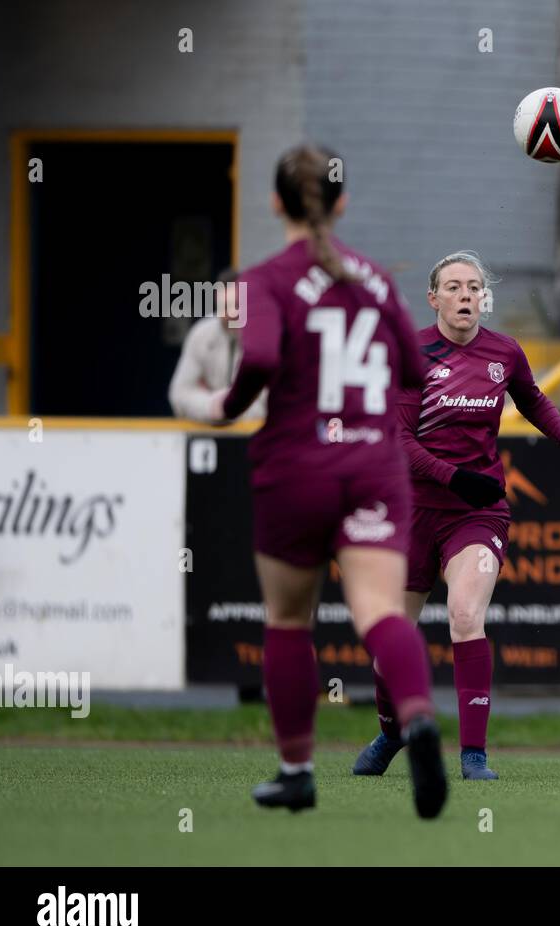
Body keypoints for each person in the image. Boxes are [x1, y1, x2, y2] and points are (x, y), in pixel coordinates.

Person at [211, 143, 446, 818]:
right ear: (341, 203)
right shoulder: (373, 278)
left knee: (288, 619)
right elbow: (416, 369)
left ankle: (296, 772)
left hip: (297, 463)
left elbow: (256, 355)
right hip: (374, 465)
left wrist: (226, 408)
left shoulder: (265, 279)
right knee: (377, 612)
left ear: (275, 202)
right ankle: (420, 720)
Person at [352, 250, 560, 781]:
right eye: (453, 287)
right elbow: (399, 440)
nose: (466, 295)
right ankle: (390, 732)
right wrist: (451, 476)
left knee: (466, 615)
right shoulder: (412, 352)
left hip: (477, 512)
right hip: (413, 511)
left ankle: (474, 756)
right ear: (434, 299)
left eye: (473, 287)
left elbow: (534, 401)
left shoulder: (505, 352)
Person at [168, 268, 267, 422]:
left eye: (237, 304)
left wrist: (229, 408)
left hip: (255, 435)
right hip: (210, 433)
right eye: (226, 305)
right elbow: (179, 395)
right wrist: (213, 406)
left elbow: (271, 402)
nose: (232, 312)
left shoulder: (266, 336)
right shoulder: (201, 334)